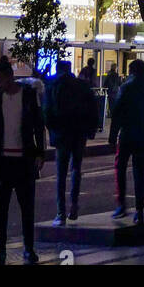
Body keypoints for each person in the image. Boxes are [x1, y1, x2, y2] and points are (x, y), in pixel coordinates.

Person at [0, 60, 45, 265]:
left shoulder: (27, 95)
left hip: (23, 160)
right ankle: (0, 249)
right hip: (2, 161)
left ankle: (29, 248)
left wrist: (40, 152)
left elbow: (38, 123)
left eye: (0, 79)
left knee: (27, 207)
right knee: (1, 209)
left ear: (10, 77)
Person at [45, 61, 99, 225]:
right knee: (76, 168)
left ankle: (60, 212)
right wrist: (90, 130)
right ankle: (74, 205)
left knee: (61, 173)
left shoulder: (54, 85)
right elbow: (93, 108)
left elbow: (47, 111)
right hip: (79, 132)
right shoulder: (82, 86)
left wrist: (52, 130)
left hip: (62, 133)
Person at [109, 59, 144, 224]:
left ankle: (121, 204)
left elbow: (117, 112)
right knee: (139, 170)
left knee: (120, 167)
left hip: (128, 133)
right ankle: (139, 209)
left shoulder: (127, 87)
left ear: (131, 71)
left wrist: (113, 134)